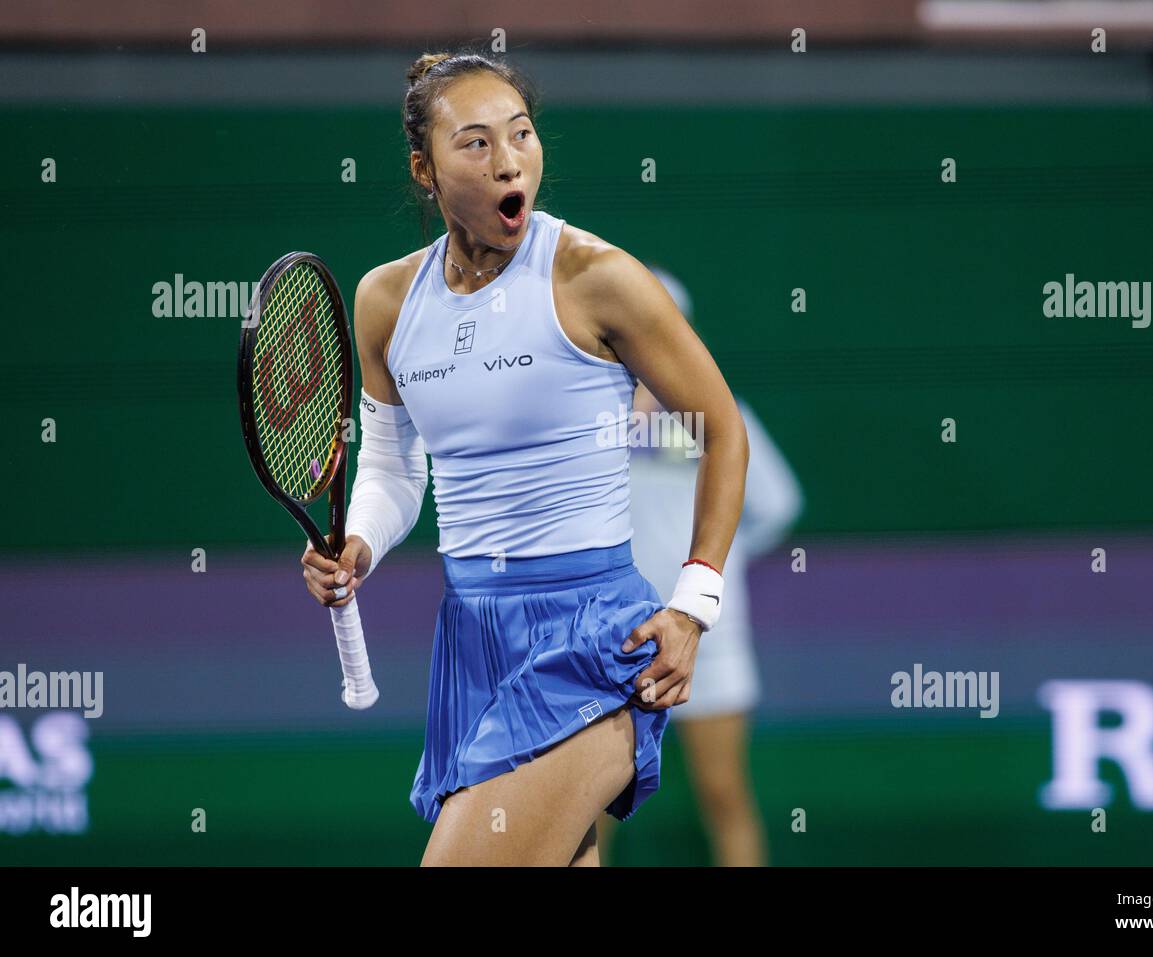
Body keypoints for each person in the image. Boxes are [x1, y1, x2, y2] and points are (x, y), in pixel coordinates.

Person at [298, 50, 749, 866]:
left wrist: (693, 605)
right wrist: (360, 540)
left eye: (522, 134)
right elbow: (394, 470)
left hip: (591, 640)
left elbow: (721, 426)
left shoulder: (598, 278)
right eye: (474, 143)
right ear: (423, 169)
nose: (509, 160)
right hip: (471, 638)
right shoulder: (385, 302)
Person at [598, 265, 803, 866]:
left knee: (723, 794)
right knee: (593, 805)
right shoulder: (586, 421)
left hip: (708, 633)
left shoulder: (715, 416)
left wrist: (711, 573)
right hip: (612, 636)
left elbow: (776, 503)